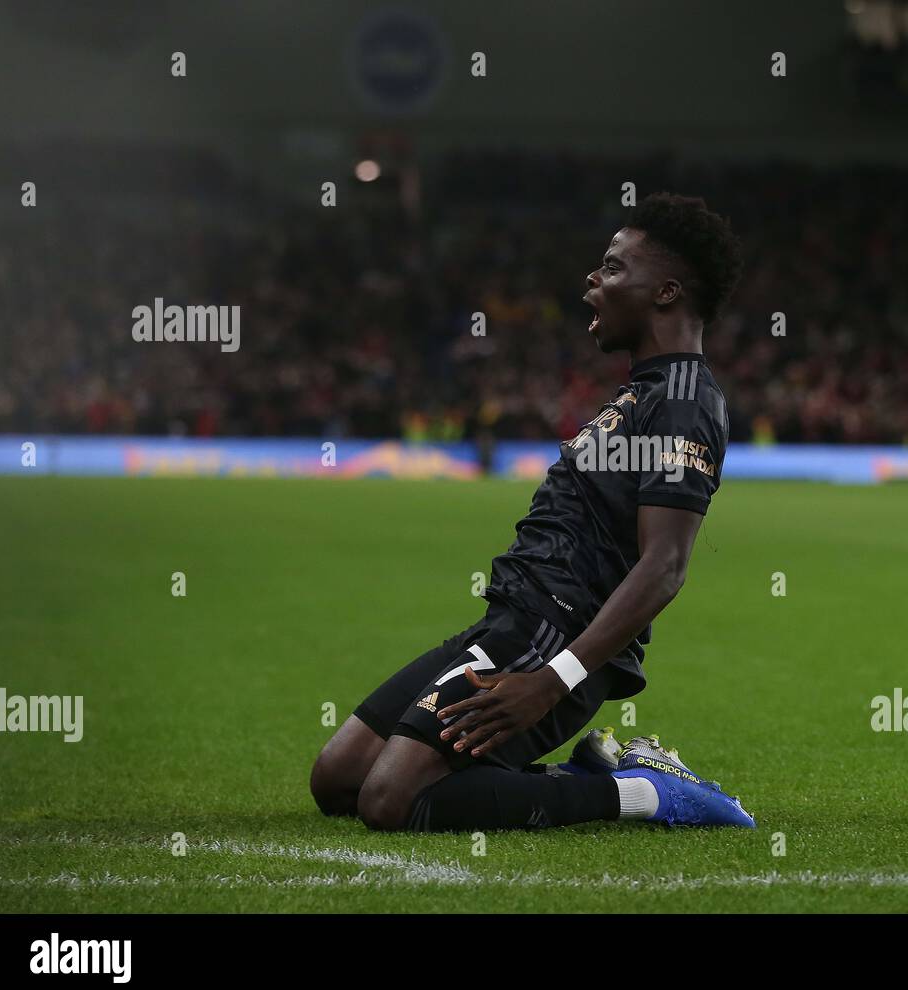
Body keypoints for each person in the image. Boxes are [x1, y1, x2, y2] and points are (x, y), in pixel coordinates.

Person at [310, 193, 754, 832]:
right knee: (339, 778)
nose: (592, 280)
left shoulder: (685, 401)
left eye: (612, 268)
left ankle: (640, 794)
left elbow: (666, 565)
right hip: (513, 623)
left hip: (555, 639)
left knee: (391, 800)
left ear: (666, 293)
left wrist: (556, 678)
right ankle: (577, 779)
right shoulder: (642, 392)